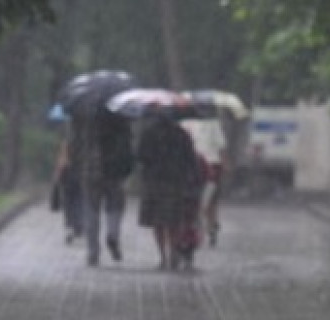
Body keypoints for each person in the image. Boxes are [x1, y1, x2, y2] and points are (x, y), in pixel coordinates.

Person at [137, 109, 205, 270]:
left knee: (157, 223)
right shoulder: (182, 135)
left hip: (154, 181)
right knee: (174, 221)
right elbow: (191, 159)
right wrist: (194, 180)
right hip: (176, 182)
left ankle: (162, 256)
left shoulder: (149, 134)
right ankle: (173, 251)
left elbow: (140, 156)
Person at [79, 107, 134, 267]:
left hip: (91, 170)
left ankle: (92, 251)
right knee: (115, 205)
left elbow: (77, 145)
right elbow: (128, 148)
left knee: (91, 209)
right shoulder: (121, 121)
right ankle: (113, 234)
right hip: (114, 172)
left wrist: (79, 165)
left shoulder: (87, 122)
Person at [181, 115, 228, 246]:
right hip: (193, 165)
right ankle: (200, 230)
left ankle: (211, 226)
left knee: (209, 201)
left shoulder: (212, 123)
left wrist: (224, 163)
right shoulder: (185, 122)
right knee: (195, 201)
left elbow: (221, 146)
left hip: (211, 165)